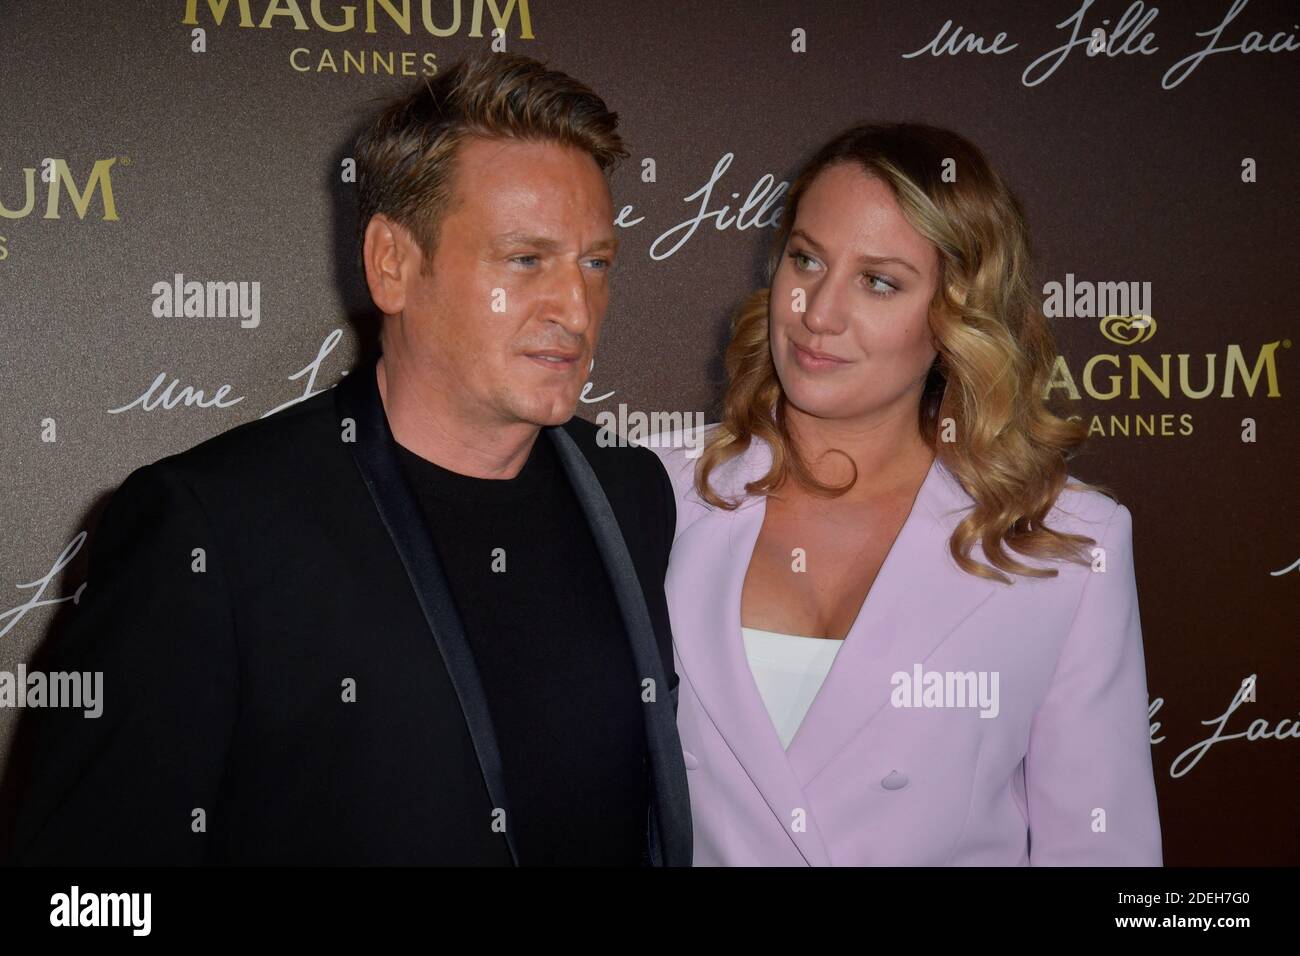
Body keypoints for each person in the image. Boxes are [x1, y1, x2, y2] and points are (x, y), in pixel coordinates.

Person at [9, 52, 690, 866]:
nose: (576, 309)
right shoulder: (214, 531)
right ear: (391, 265)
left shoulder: (631, 491)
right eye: (525, 260)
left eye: (596, 263)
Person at [651, 123, 1161, 866]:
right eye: (806, 259)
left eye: (879, 282)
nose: (818, 313)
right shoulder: (654, 490)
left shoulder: (1066, 546)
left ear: (957, 315)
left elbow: (1101, 853)